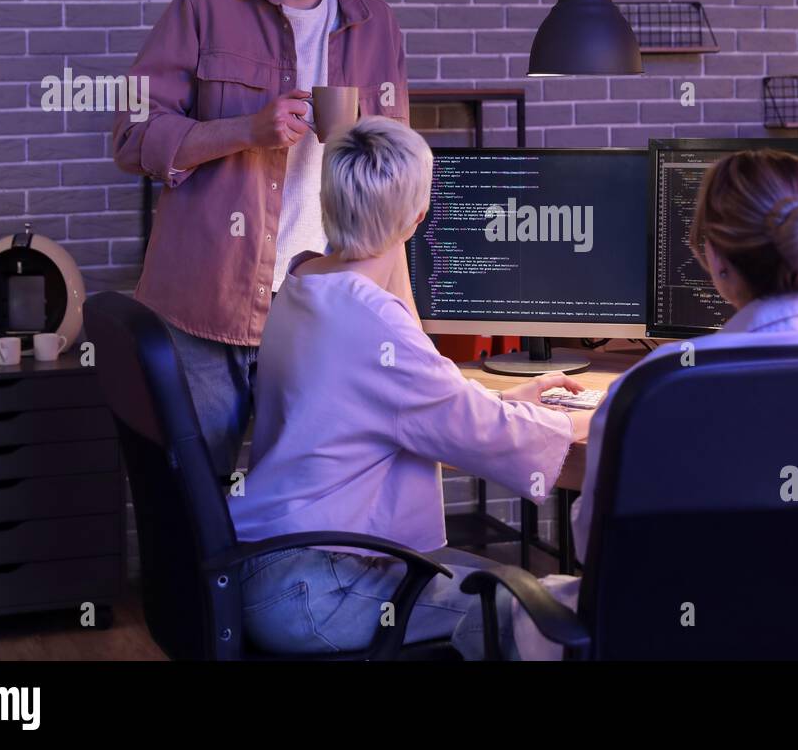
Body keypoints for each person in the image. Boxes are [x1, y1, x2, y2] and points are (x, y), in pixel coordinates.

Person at [458, 148, 798, 660]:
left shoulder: (659, 387)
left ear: (713, 255)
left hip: (663, 641)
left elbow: (598, 549)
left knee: (483, 616)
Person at [228, 117, 594, 655]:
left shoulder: (303, 283)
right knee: (540, 609)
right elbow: (482, 432)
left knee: (503, 589)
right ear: (420, 216)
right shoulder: (372, 322)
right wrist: (593, 416)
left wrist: (503, 398)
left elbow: (397, 401)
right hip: (321, 589)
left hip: (268, 566)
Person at [111, 0, 412, 479]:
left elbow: (396, 173)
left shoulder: (375, 22)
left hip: (322, 309)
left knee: (306, 504)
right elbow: (134, 134)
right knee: (194, 505)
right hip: (205, 308)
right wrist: (246, 130)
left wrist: (369, 153)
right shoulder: (207, 2)